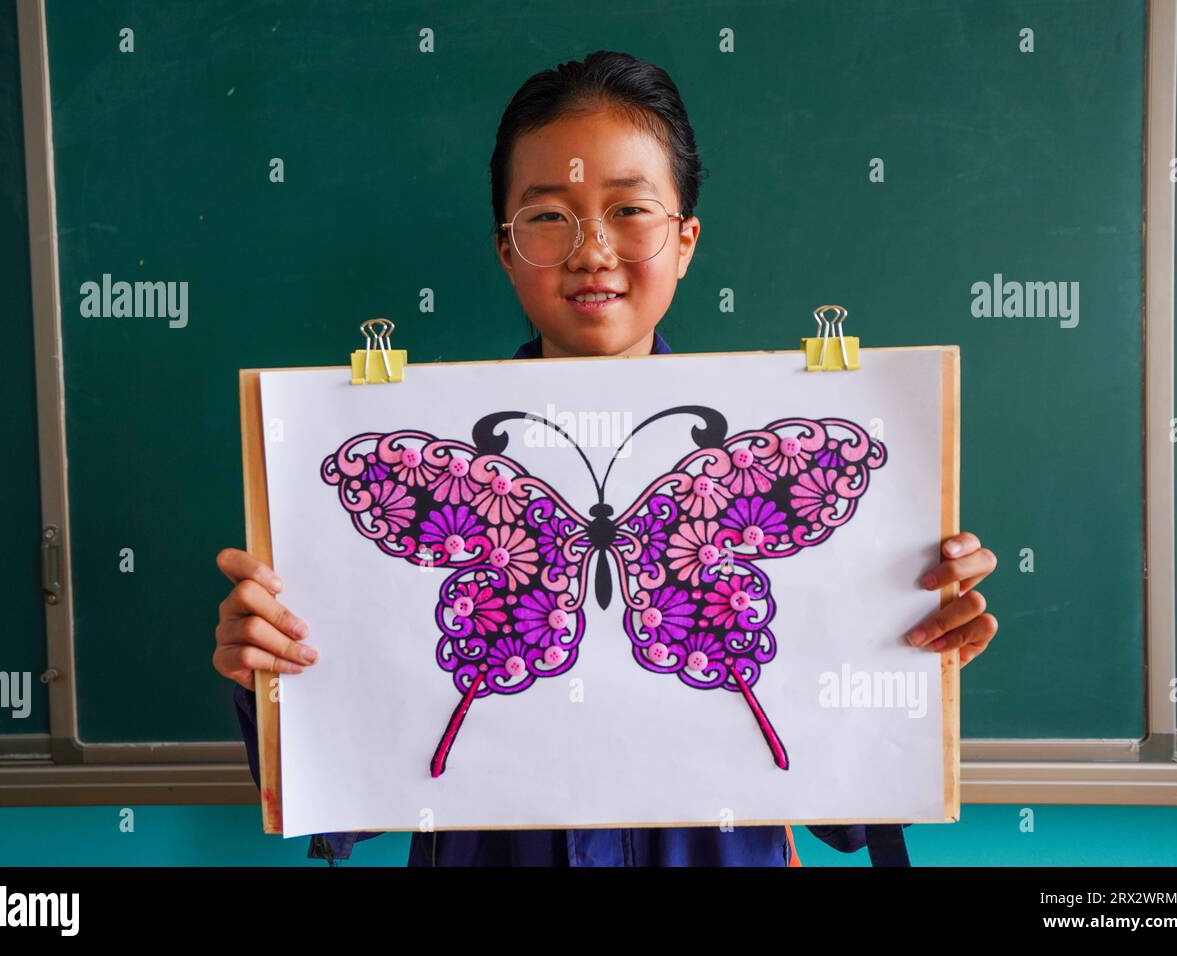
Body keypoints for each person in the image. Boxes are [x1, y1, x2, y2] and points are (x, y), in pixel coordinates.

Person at [214, 51, 998, 866]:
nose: (591, 250)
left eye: (630, 209)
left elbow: (849, 806)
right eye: (549, 216)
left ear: (686, 240)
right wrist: (270, 675)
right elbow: (344, 805)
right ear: (505, 249)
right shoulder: (416, 447)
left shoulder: (778, 433)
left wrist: (906, 645)